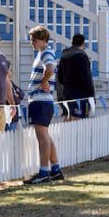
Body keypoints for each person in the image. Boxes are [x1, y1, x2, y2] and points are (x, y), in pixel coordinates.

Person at [24, 25, 62, 184]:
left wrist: (44, 81)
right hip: (43, 100)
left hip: (40, 100)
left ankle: (43, 172)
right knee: (46, 135)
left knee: (42, 138)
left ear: (43, 39)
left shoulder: (46, 52)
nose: (32, 42)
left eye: (34, 40)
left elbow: (50, 69)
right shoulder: (43, 53)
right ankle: (55, 169)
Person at [57, 32, 95, 117]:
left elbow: (60, 77)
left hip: (67, 94)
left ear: (72, 42)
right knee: (79, 121)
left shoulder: (64, 56)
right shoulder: (81, 56)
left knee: (69, 119)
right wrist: (91, 95)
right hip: (81, 96)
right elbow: (86, 78)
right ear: (83, 43)